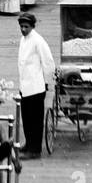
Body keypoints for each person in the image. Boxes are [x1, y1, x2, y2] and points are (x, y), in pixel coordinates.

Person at [16, 13, 55, 159]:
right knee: (26, 118)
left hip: (36, 87)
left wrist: (47, 81)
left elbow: (48, 61)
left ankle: (35, 150)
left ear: (32, 26)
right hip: (25, 86)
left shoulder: (38, 41)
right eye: (22, 27)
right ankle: (28, 144)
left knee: (35, 120)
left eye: (26, 27)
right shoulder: (23, 39)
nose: (24, 29)